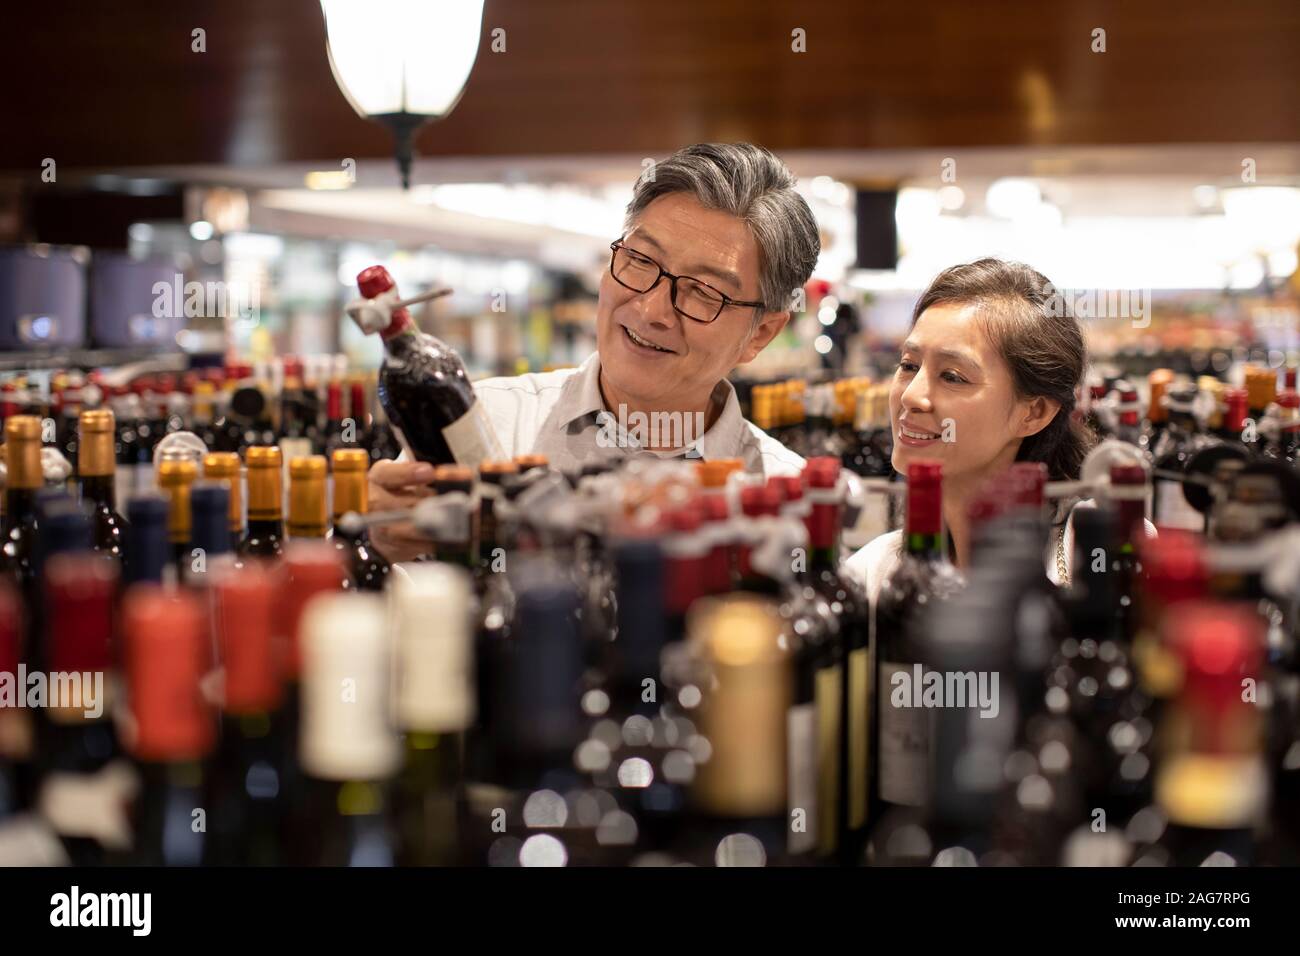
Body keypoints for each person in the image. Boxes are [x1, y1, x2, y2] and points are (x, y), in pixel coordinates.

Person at [367, 143, 821, 562]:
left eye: (704, 291)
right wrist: (387, 545)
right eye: (641, 261)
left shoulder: (791, 499)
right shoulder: (483, 423)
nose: (650, 309)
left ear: (761, 333)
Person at [844, 257, 1153, 603]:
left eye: (952, 376)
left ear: (1033, 412)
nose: (912, 395)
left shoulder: (1101, 550)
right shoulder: (876, 573)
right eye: (908, 365)